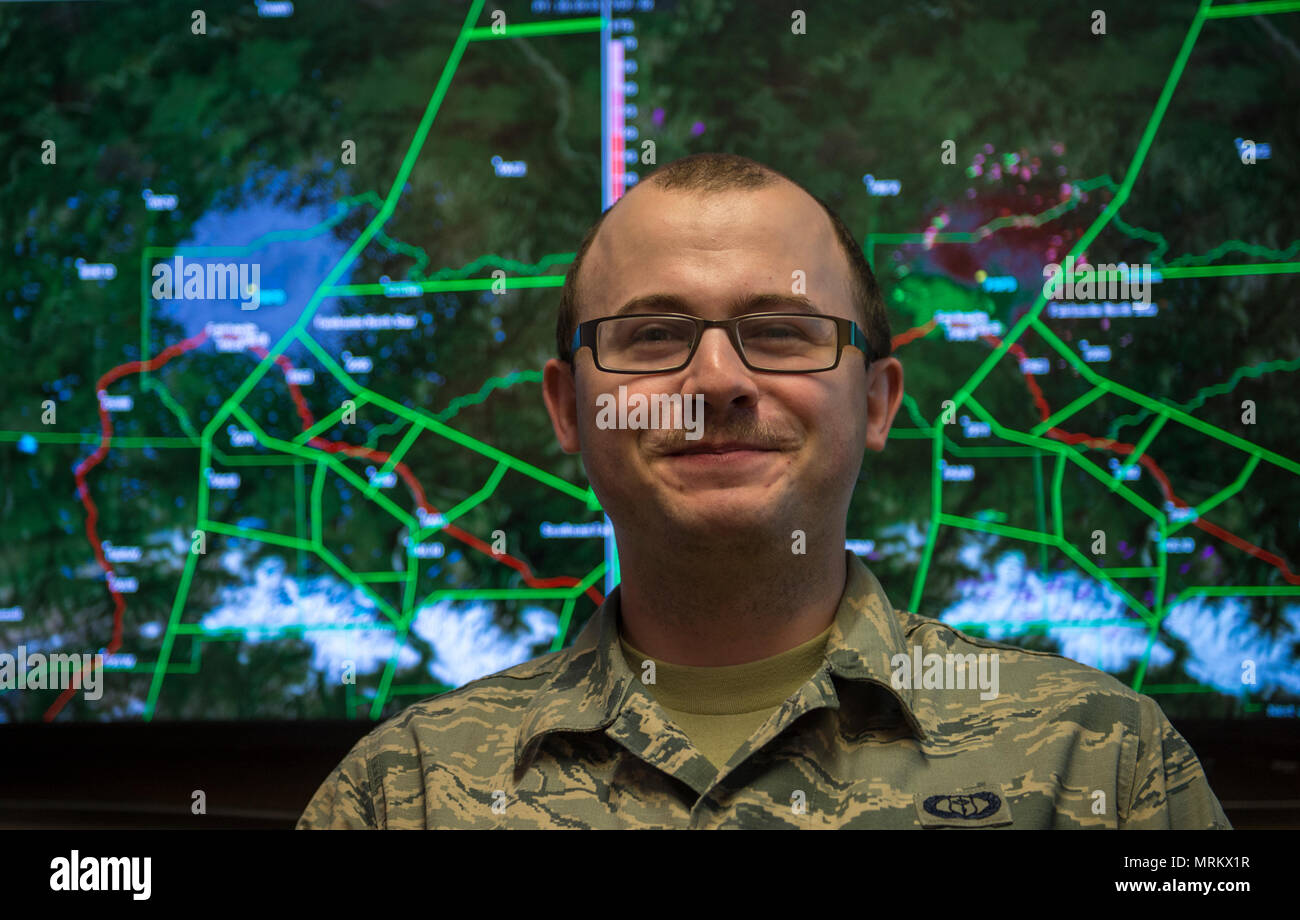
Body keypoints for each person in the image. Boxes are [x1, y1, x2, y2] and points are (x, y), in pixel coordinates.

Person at [297, 152, 1230, 829]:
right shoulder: (401, 796)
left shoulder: (1106, 764)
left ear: (875, 402)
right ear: (570, 412)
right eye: (652, 336)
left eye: (781, 331)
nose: (716, 382)